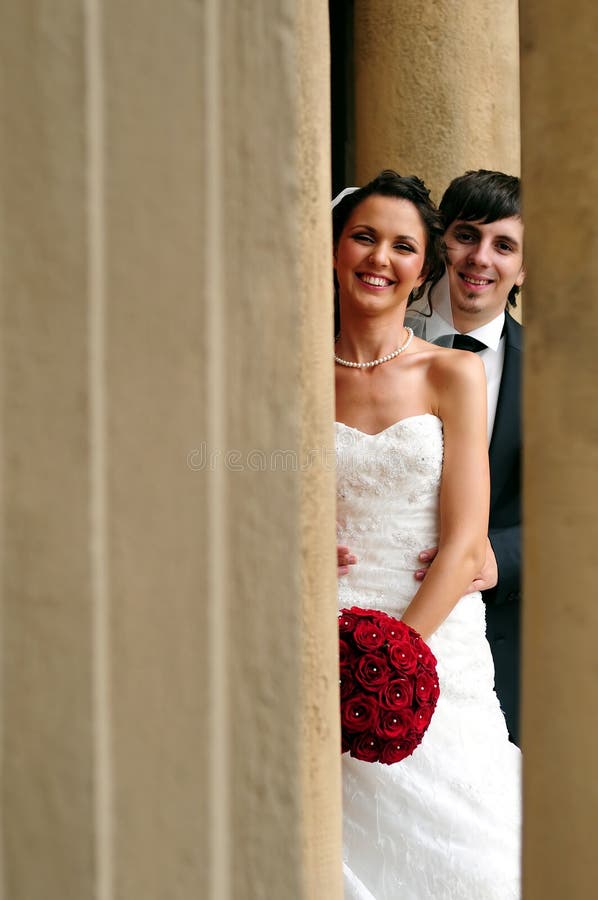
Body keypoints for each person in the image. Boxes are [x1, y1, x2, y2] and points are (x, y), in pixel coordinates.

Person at [333, 170, 520, 899]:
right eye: (364, 238)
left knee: (476, 861)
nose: (380, 257)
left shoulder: (453, 373)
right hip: (323, 631)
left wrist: (396, 654)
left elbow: (467, 537)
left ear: (423, 266)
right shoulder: (286, 377)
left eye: (402, 245)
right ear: (335, 250)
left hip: (434, 640)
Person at [406, 170, 524, 744]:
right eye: (466, 235)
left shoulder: (561, 375)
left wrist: (500, 557)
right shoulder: (365, 337)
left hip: (494, 643)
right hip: (370, 601)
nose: (481, 258)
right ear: (438, 241)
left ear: (524, 267)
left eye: (504, 245)